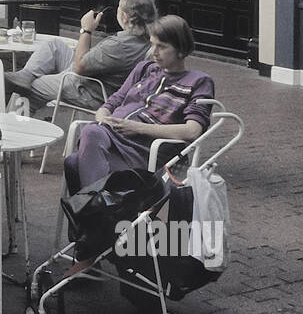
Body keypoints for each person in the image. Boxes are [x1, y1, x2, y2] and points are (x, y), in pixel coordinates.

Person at [63, 15, 215, 202]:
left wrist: (137, 128)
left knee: (79, 154)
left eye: (162, 47)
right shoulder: (144, 69)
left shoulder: (198, 82)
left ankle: (95, 215)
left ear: (181, 50)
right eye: (152, 45)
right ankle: (101, 215)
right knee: (80, 152)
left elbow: (193, 131)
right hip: (111, 140)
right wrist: (103, 115)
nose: (154, 52)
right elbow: (113, 102)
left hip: (145, 153)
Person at [5, 0, 157, 112]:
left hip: (89, 90)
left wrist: (86, 30)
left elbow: (79, 67)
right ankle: (25, 75)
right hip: (98, 79)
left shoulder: (119, 45)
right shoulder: (150, 38)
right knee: (54, 45)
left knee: (32, 87)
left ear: (124, 17)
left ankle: (12, 134)